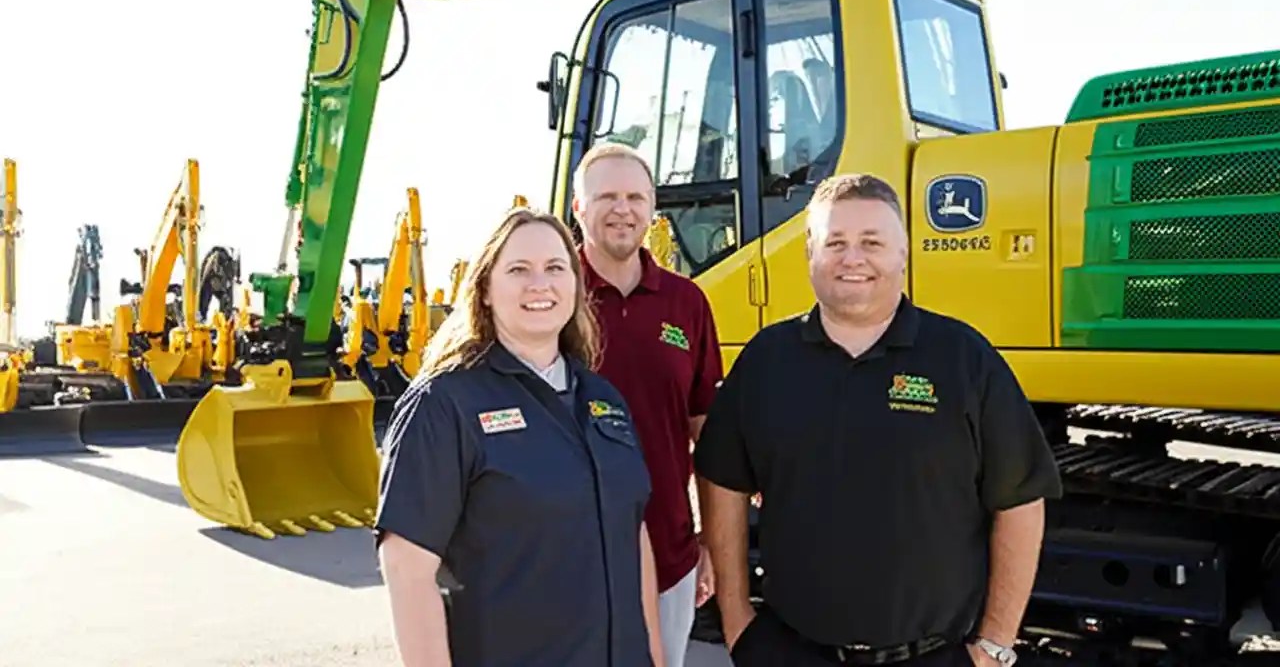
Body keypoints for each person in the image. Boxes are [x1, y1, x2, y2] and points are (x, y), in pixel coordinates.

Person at [693, 173, 1063, 666]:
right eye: (835, 243)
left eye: (872, 242)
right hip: (792, 652)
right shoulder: (767, 360)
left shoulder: (963, 359)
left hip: (934, 657)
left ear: (903, 253)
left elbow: (1020, 500)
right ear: (810, 253)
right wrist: (737, 620)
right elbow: (723, 481)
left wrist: (995, 644)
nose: (853, 258)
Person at [374, 206, 666, 667]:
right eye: (518, 270)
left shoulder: (603, 399)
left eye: (555, 268)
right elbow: (407, 570)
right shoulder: (444, 404)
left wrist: (654, 657)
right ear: (485, 290)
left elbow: (633, 537)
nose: (540, 284)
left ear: (576, 284)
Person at [572, 141, 725, 667]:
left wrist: (710, 542)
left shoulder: (687, 303)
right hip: (567, 553)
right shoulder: (553, 298)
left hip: (668, 553)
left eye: (635, 197)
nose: (623, 209)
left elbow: (707, 432)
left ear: (653, 207)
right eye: (607, 197)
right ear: (579, 207)